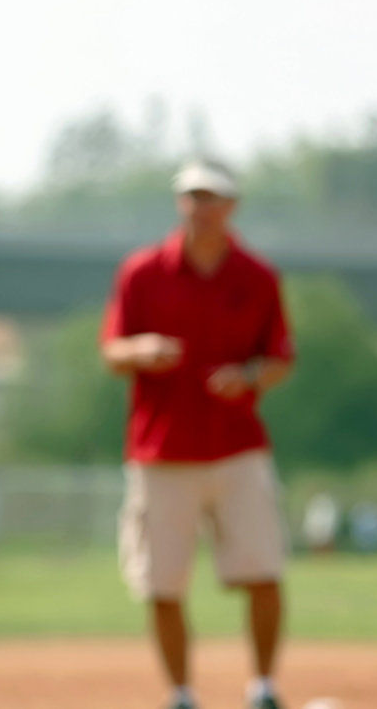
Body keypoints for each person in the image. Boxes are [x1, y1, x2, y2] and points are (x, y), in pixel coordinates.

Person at [101, 159, 295, 709]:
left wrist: (249, 377)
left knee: (264, 572)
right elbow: (112, 349)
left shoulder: (257, 277)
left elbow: (280, 357)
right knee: (161, 583)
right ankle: (182, 694)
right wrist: (142, 350)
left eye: (211, 197)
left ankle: (262, 687)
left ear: (231, 207)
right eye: (191, 196)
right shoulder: (142, 272)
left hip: (237, 448)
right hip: (160, 452)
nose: (200, 207)